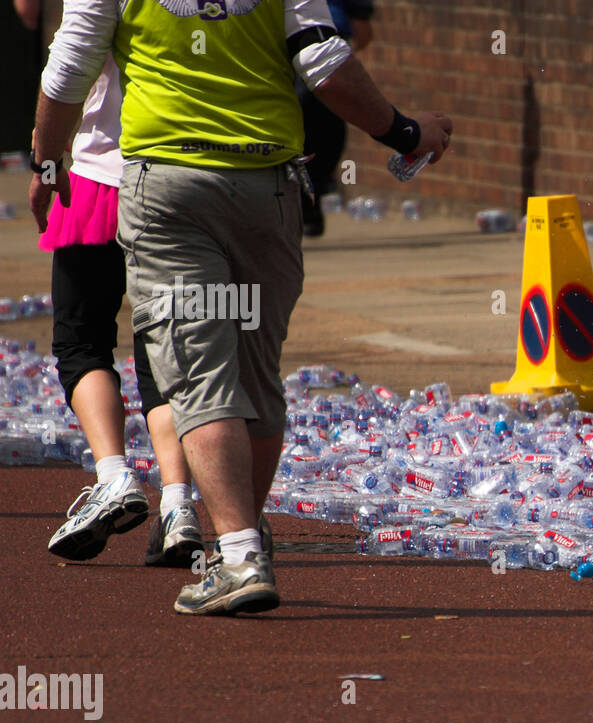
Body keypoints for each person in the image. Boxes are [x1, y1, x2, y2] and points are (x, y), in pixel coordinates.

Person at [32, 0, 452, 615]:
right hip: (268, 188)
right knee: (255, 372)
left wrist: (46, 160)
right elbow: (325, 61)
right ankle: (245, 538)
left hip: (170, 191)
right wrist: (405, 132)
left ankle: (237, 556)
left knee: (201, 373)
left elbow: (71, 60)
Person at [36, 46, 201, 567]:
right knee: (167, 350)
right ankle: (179, 506)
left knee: (81, 340)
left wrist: (44, 163)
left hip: (100, 177)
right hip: (185, 184)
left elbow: (67, 69)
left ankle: (114, 476)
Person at [299, 0, 374, 236]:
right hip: (291, 38)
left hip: (329, 38)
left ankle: (312, 193)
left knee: (328, 122)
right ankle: (305, 194)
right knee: (307, 113)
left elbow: (363, 31)